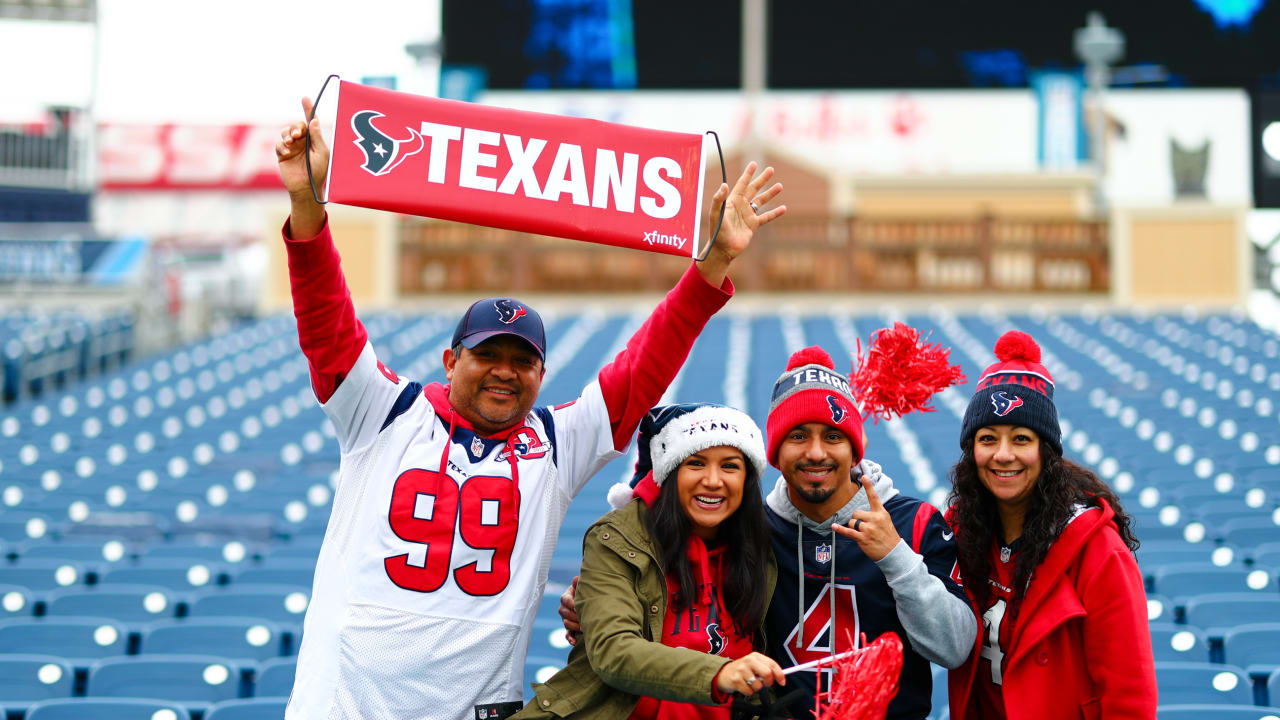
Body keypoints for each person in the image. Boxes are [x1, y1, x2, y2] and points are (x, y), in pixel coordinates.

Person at [273, 98, 787, 720]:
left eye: (523, 361)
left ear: (541, 374)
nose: (505, 372)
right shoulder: (381, 413)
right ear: (449, 360)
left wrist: (712, 266)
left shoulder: (554, 442)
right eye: (488, 355)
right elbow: (326, 321)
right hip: (348, 699)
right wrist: (308, 206)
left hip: (477, 707)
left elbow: (643, 367)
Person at [564, 346, 976, 719]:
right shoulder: (748, 527)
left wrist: (896, 557)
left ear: (855, 449)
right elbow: (670, 590)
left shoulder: (913, 522)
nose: (816, 452)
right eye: (798, 436)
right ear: (775, 454)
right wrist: (596, 603)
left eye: (833, 436)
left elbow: (955, 649)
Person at [517, 403, 784, 719]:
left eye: (730, 466)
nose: (713, 481)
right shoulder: (619, 538)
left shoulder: (765, 546)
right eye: (695, 463)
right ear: (669, 473)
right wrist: (718, 674)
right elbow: (614, 651)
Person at [945, 330, 1156, 720]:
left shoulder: (1098, 548)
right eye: (988, 438)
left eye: (1021, 439)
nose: (1003, 455)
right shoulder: (961, 531)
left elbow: (1131, 692)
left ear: (1046, 452)